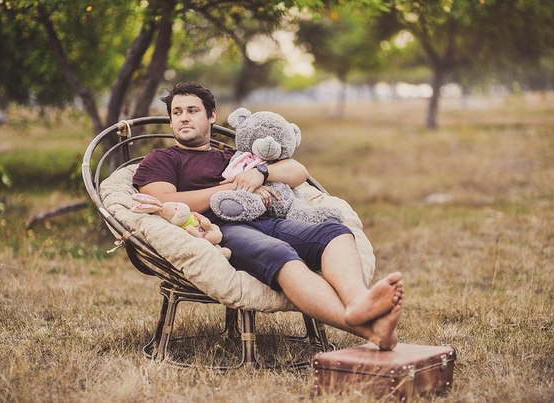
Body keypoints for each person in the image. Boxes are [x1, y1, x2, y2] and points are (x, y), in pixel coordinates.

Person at [133, 82, 404, 350]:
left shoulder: (235, 157)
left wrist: (260, 173)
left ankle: (359, 301)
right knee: (278, 252)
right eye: (177, 112)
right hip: (225, 230)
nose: (183, 118)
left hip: (269, 220)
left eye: (192, 110)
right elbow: (163, 200)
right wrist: (231, 188)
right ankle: (370, 329)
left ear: (211, 116)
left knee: (334, 232)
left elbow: (298, 171)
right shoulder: (162, 159)